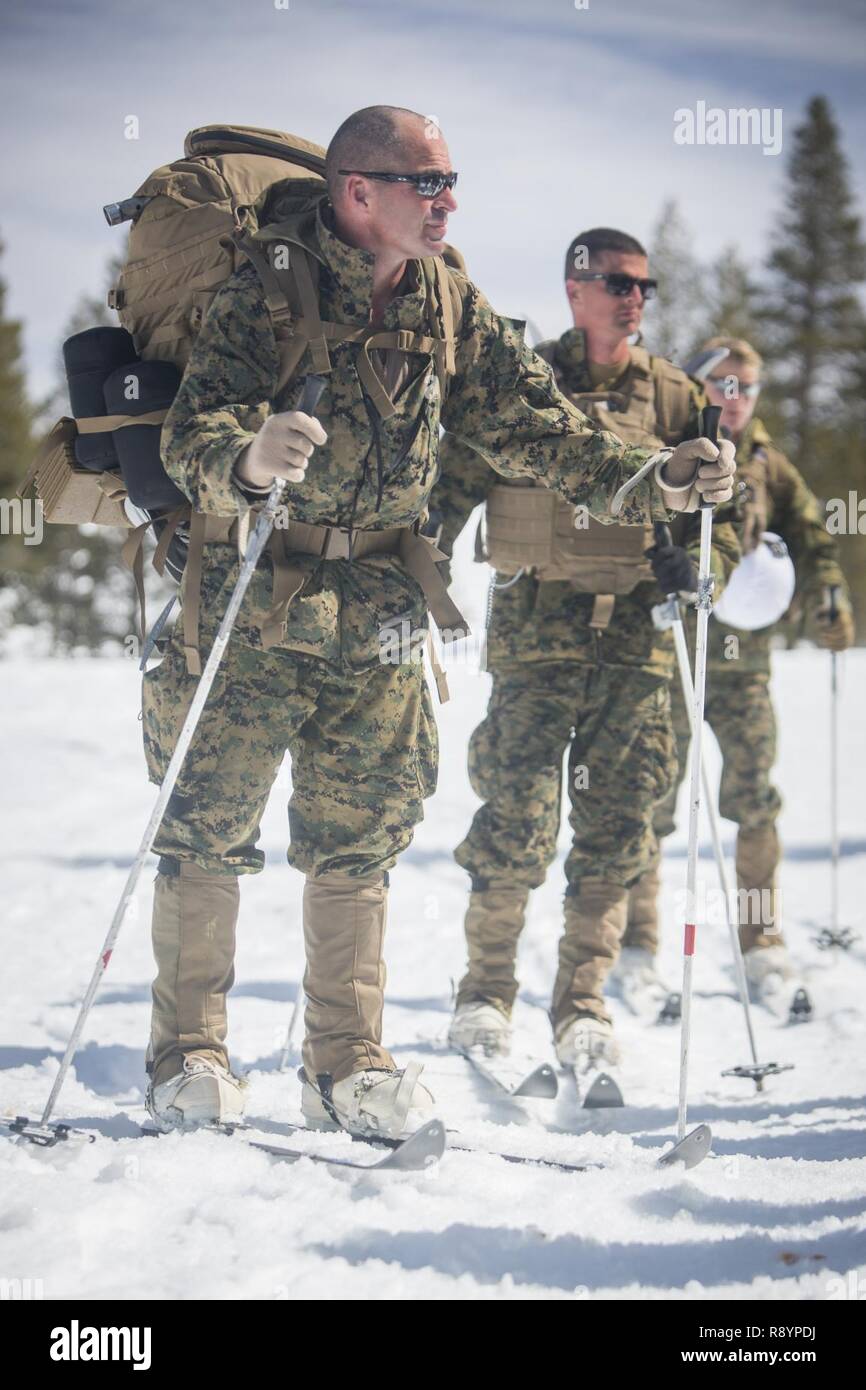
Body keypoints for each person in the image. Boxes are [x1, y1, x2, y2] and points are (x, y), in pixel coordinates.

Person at [144, 112, 735, 1138]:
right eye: (426, 183)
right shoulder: (267, 285)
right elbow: (194, 430)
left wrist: (654, 477)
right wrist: (245, 457)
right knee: (208, 825)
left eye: (449, 181)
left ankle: (345, 1061)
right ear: (356, 192)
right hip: (249, 593)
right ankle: (190, 1055)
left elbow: (536, 427)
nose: (446, 201)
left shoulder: (447, 298)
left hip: (376, 609)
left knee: (359, 836)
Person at [431, 228, 741, 1073]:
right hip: (537, 640)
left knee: (617, 827)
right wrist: (415, 568)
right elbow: (452, 485)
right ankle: (487, 993)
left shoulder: (677, 396)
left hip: (638, 651)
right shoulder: (526, 387)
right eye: (617, 282)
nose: (635, 297)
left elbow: (727, 513)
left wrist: (703, 562)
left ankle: (583, 1004)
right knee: (516, 820)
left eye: (646, 285)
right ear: (576, 288)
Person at [623, 335, 853, 1013]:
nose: (736, 398)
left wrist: (828, 592)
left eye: (747, 388)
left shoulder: (766, 466)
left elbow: (813, 536)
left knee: (754, 796)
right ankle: (637, 947)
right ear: (696, 386)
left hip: (743, 662)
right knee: (654, 797)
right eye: (723, 384)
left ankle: (762, 944)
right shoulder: (661, 444)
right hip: (669, 653)